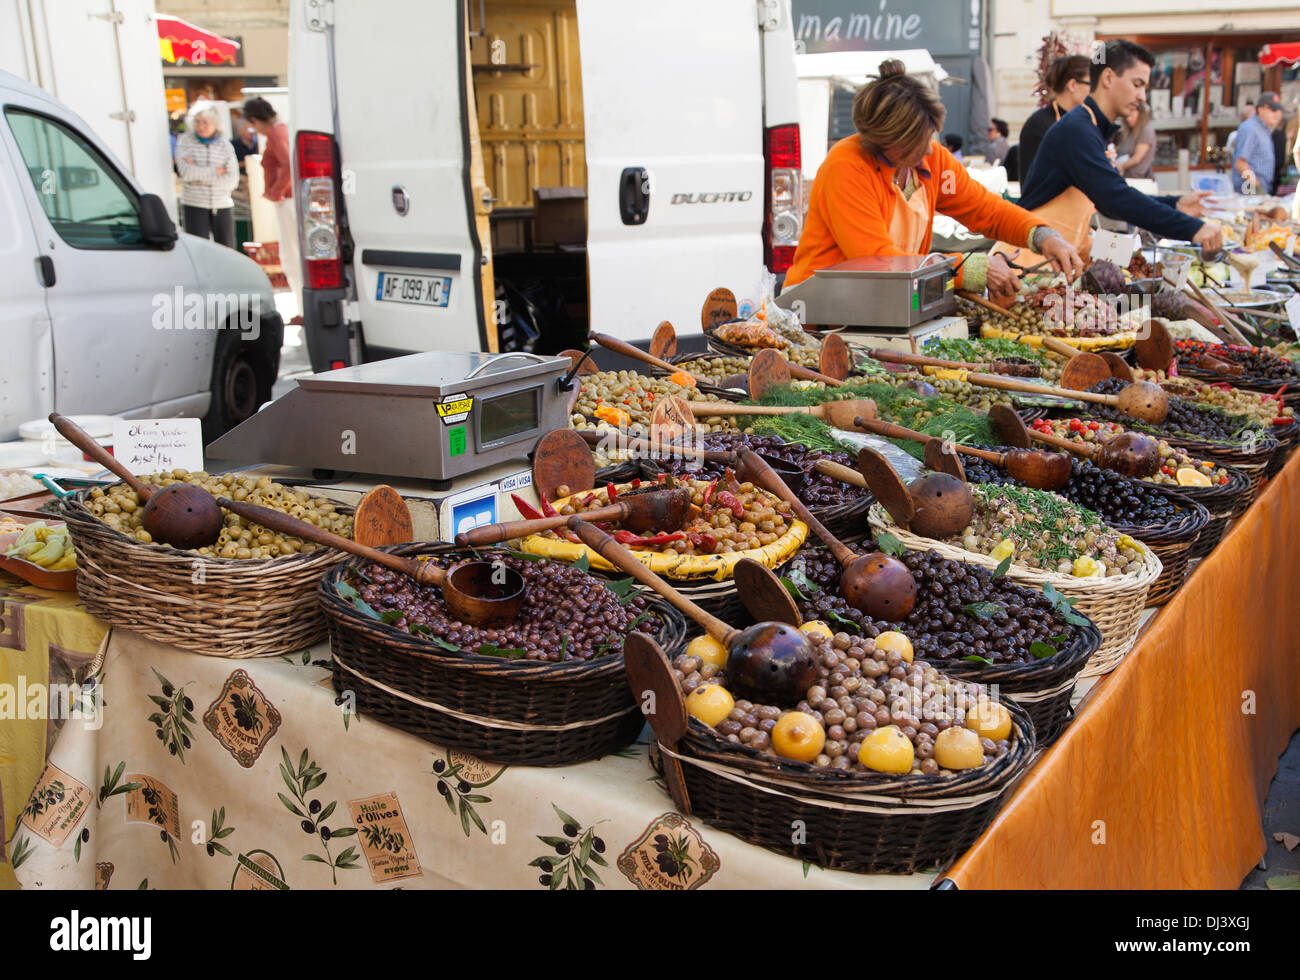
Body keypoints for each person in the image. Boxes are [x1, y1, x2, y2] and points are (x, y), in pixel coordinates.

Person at [785, 60, 1084, 309]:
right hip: (819, 311)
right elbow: (878, 262)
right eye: (920, 141)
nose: (930, 149)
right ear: (890, 142)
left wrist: (1042, 235)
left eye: (931, 136)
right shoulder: (846, 167)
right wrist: (967, 268)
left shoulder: (930, 161)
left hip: (881, 305)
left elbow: (986, 210)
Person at [1013, 40, 1222, 261]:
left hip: (1057, 257)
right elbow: (1114, 199)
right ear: (1108, 78)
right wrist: (1192, 228)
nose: (1142, 96)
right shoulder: (1077, 130)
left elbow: (1114, 194)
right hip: (1030, 261)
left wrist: (1176, 204)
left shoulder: (1090, 127)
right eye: (1137, 84)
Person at [242, 96, 302, 309]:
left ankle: (302, 307)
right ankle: (301, 305)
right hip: (290, 198)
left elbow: (287, 164)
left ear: (255, 120)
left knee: (291, 254)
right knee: (293, 252)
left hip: (287, 199)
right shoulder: (282, 129)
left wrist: (276, 191)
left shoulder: (275, 134)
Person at [174, 103, 239, 249]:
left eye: (205, 122)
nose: (201, 126)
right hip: (194, 203)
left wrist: (198, 171)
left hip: (222, 204)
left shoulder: (225, 146)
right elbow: (186, 173)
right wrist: (216, 171)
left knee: (227, 249)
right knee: (198, 248)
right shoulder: (185, 142)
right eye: (197, 122)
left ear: (215, 124)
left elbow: (231, 181)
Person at [1018, 54, 1091, 183]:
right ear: (1073, 85)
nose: (1095, 92)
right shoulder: (1039, 125)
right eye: (1092, 84)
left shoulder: (1085, 122)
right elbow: (1032, 183)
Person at [1232, 91, 1283, 194]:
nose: (1277, 113)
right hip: (1249, 192)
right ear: (1260, 109)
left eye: (1278, 110)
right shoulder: (1250, 128)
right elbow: (1240, 163)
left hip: (1260, 189)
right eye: (1273, 110)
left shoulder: (1264, 129)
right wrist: (1256, 188)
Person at [1116, 102, 1156, 179]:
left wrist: (1121, 166)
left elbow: (1137, 158)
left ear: (1140, 114)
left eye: (1131, 115)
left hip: (1140, 179)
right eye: (1126, 116)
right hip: (1127, 177)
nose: (1128, 119)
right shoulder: (1129, 131)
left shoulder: (1146, 130)